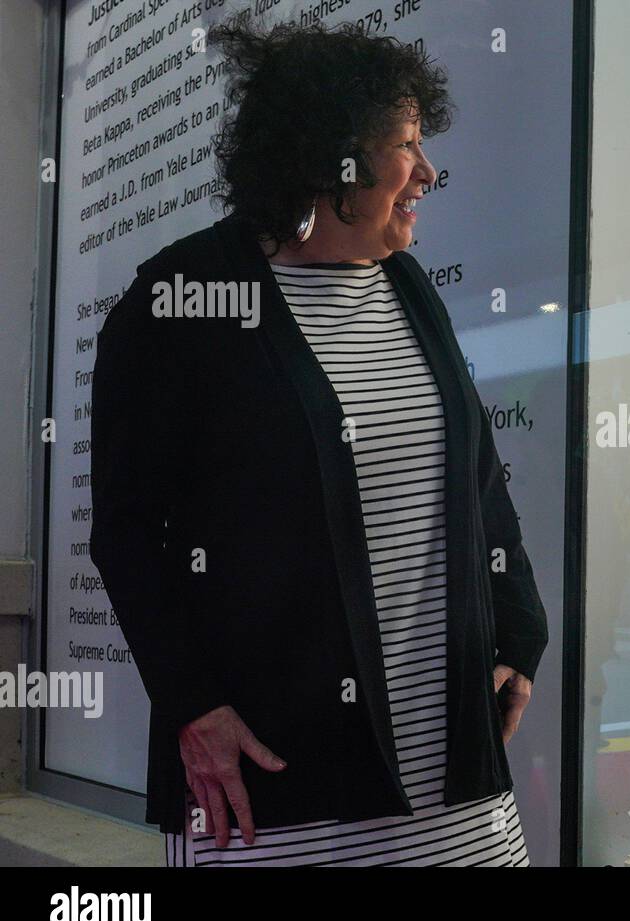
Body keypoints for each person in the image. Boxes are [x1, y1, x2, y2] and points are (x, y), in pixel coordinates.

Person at [89, 19, 548, 866]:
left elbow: (478, 486)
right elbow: (126, 533)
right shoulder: (181, 301)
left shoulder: (408, 288)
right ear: (331, 158)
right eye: (406, 146)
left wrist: (520, 633)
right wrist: (192, 706)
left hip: (458, 800)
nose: (428, 173)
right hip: (276, 800)